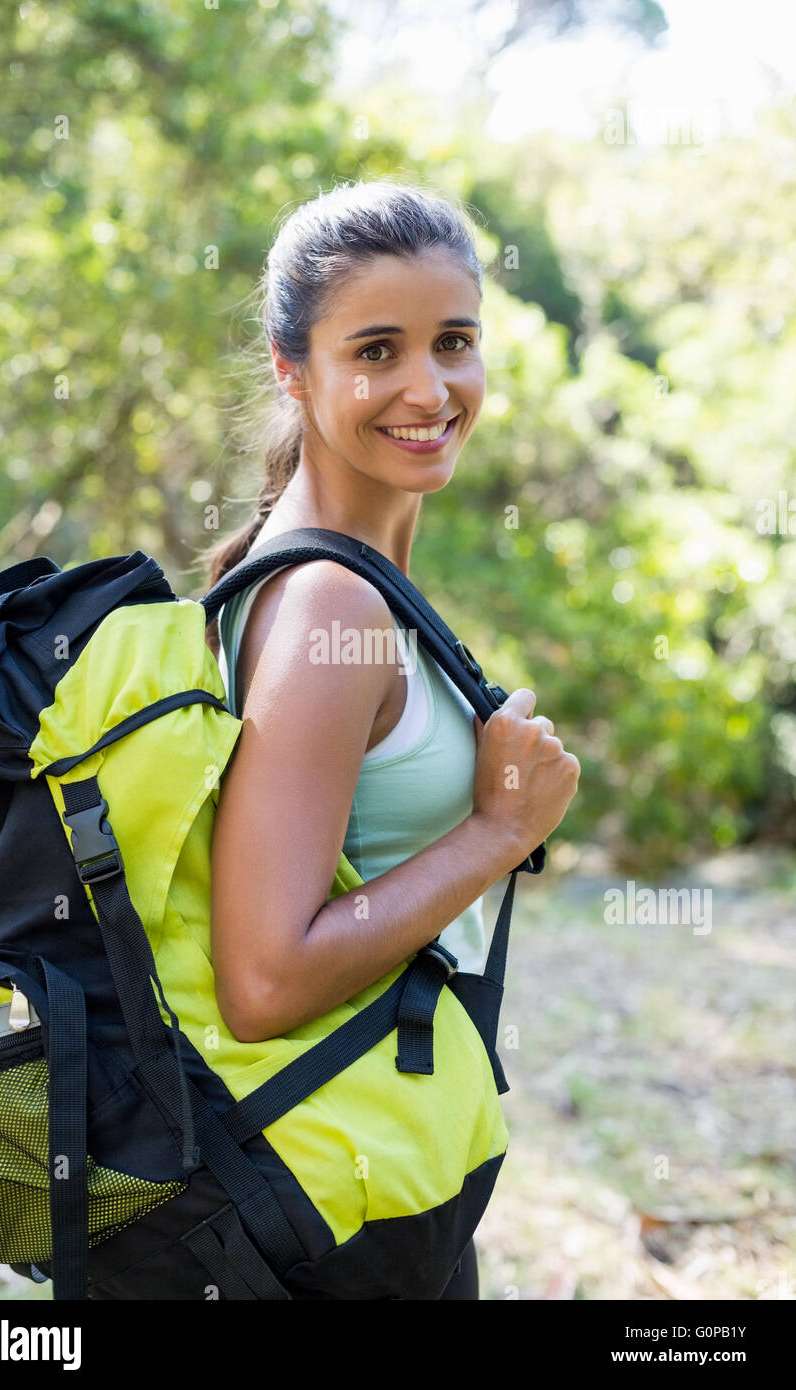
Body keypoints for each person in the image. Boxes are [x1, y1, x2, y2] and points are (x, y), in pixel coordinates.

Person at [202, 177, 580, 1299]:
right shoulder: (332, 606)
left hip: (348, 1165)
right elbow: (262, 979)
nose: (428, 387)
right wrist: (497, 831)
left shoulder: (330, 574)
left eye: (453, 341)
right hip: (322, 1198)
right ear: (293, 370)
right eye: (376, 350)